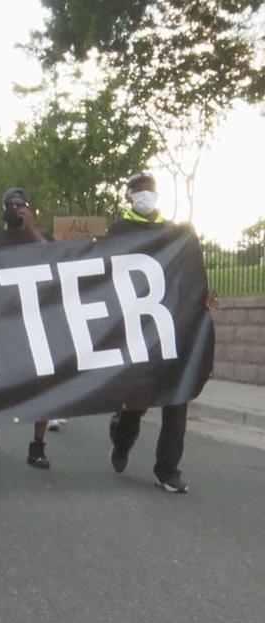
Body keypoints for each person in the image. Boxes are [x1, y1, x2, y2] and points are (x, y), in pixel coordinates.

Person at [105, 171, 216, 494]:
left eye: (149, 189)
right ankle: (122, 440)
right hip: (137, 329)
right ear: (129, 195)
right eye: (138, 190)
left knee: (176, 398)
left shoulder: (173, 233)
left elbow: (189, 271)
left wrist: (203, 294)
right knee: (137, 401)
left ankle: (167, 469)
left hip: (173, 325)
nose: (145, 195)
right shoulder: (118, 231)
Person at [0, 189, 55, 469]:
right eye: (12, 204)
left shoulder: (40, 236)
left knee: (44, 384)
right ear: (3, 209)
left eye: (23, 205)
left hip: (35, 320)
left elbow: (55, 262)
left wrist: (32, 230)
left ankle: (37, 446)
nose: (18, 209)